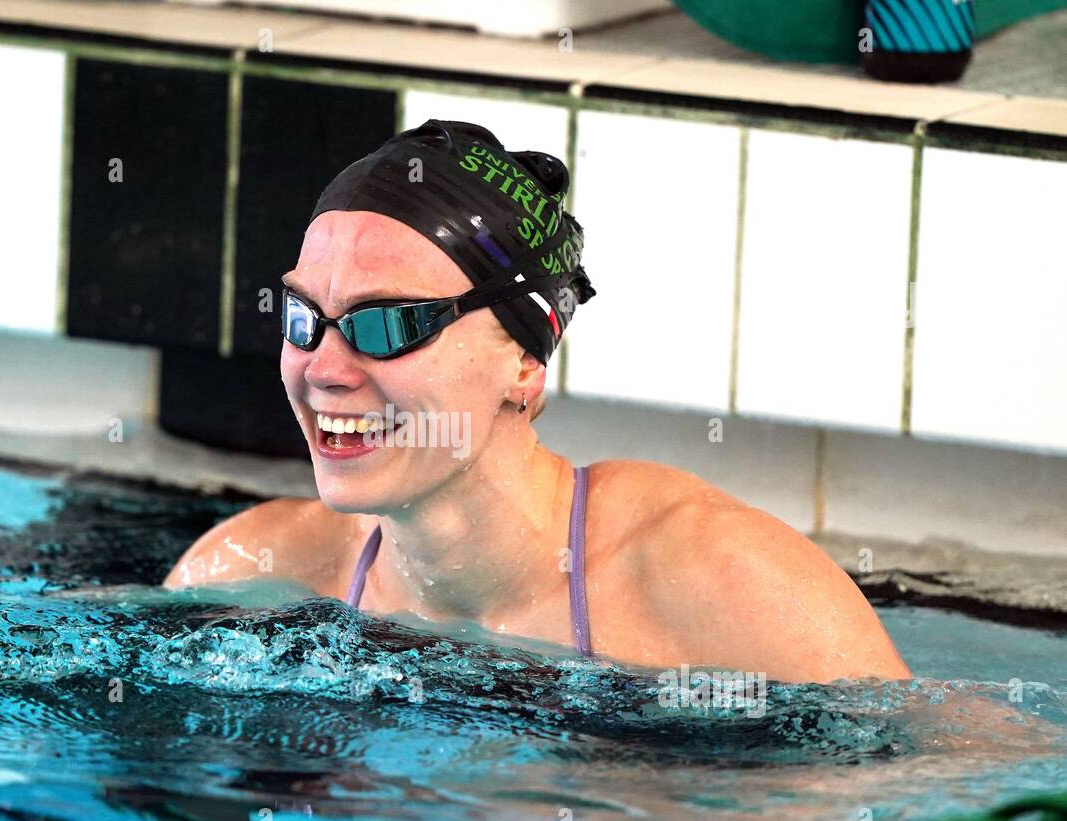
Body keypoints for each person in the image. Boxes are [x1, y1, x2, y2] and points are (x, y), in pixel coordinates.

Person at [166, 119, 912, 685]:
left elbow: (937, 810)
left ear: (524, 362)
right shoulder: (249, 576)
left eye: (388, 324)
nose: (324, 368)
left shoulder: (720, 580)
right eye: (305, 319)